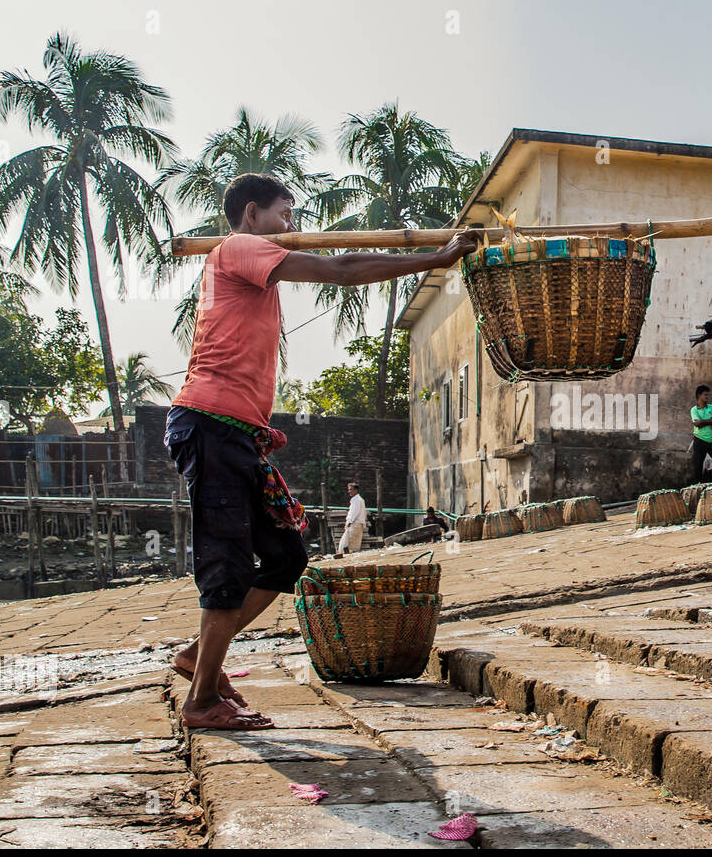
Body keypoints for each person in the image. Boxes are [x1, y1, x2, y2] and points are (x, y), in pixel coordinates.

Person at [164, 173, 480, 730]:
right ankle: (201, 701)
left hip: (238, 435)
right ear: (254, 213)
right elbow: (341, 271)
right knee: (228, 563)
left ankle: (197, 657)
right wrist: (440, 258)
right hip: (209, 426)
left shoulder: (252, 263)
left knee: (286, 554)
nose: (292, 227)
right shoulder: (238, 248)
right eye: (286, 215)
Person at [339, 481, 367, 553]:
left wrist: (349, 522)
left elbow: (355, 512)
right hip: (356, 523)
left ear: (356, 490)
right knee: (351, 543)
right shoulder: (358, 499)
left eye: (351, 489)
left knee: (349, 543)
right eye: (349, 489)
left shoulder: (357, 500)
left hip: (355, 523)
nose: (349, 491)